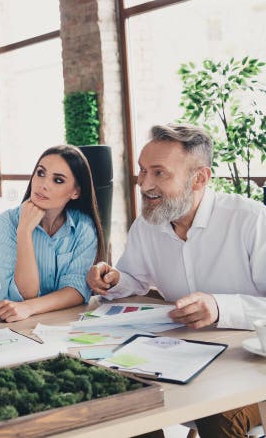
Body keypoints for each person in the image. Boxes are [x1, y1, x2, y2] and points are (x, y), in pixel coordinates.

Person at [87, 123, 265, 437]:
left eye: (159, 173)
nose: (144, 184)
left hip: (250, 368)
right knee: (122, 404)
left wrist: (219, 308)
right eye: (142, 171)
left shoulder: (251, 221)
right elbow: (135, 279)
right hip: (180, 358)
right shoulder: (147, 225)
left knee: (216, 414)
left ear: (200, 179)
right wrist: (115, 280)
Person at [0, 145, 105, 323]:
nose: (43, 185)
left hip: (66, 322)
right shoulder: (4, 224)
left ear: (76, 192)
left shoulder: (83, 226)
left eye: (58, 180)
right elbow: (26, 294)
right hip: (15, 325)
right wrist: (24, 231)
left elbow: (77, 290)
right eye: (40, 173)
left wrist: (30, 308)